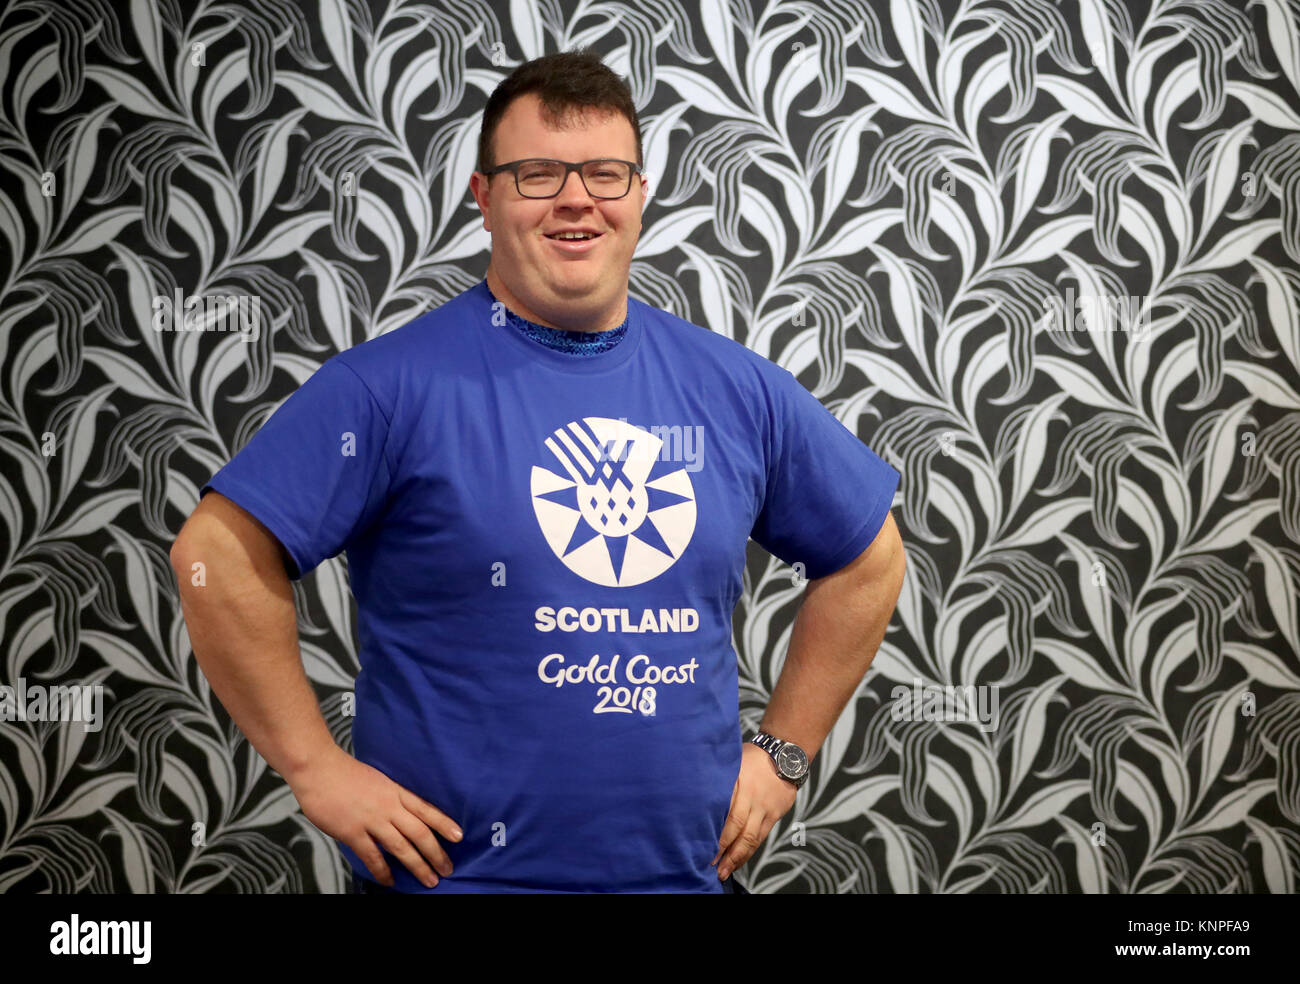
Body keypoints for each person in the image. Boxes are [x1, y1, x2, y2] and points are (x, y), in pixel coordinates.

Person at [170, 48, 905, 894]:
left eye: (605, 173)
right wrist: (312, 767)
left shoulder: (736, 389)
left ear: (639, 196)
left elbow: (870, 559)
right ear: (484, 198)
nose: (576, 199)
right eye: (536, 174)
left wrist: (782, 752)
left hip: (682, 881)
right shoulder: (386, 389)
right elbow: (214, 556)